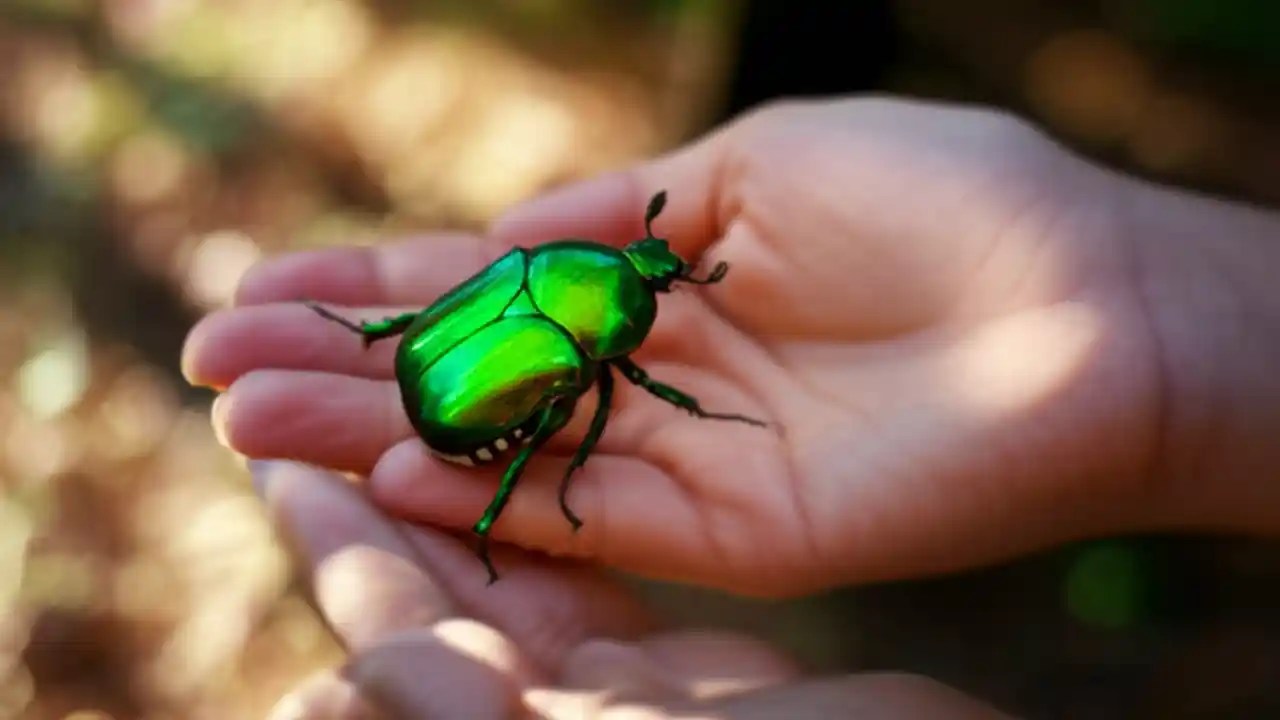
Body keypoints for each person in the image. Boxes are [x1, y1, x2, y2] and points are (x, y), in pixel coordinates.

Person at [182, 96, 1280, 718]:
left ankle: (463, 449)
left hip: (449, 367)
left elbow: (545, 333)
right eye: (655, 269)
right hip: (457, 391)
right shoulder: (599, 322)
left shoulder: (554, 272)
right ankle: (484, 471)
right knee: (562, 430)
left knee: (547, 424)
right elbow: (604, 389)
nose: (657, 263)